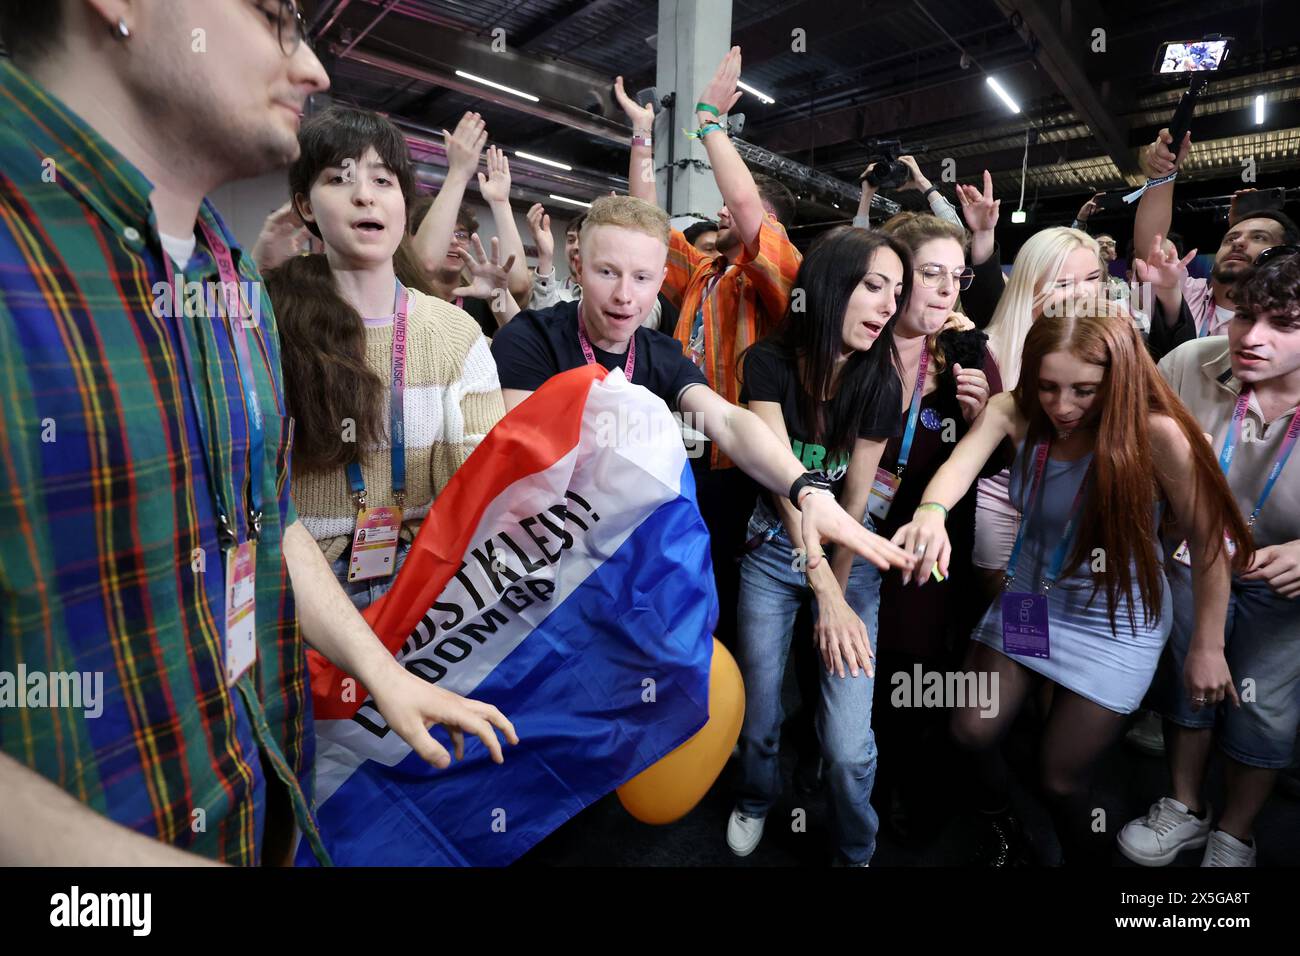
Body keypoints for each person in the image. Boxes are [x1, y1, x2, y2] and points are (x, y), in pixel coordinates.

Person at [0, 0, 514, 866]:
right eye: (276, 15)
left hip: (264, 787)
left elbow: (263, 524)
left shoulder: (224, 280)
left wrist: (382, 672)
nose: (313, 67)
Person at [891, 302, 1251, 865]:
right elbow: (960, 465)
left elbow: (1209, 544)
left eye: (1084, 390)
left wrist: (1207, 646)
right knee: (970, 731)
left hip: (1114, 622)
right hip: (1032, 602)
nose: (1062, 407)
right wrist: (932, 511)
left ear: (1119, 380)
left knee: (1060, 778)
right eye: (1049, 386)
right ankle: (1001, 820)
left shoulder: (1156, 434)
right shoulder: (1014, 410)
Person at [490, 195, 917, 581]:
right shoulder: (531, 340)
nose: (624, 295)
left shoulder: (660, 354)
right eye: (607, 272)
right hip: (538, 552)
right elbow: (527, 460)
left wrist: (806, 488)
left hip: (624, 552)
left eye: (641, 278)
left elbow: (729, 421)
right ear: (579, 267)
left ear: (661, 280)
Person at [264, 106, 505, 612]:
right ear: (305, 206)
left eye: (383, 179)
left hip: (428, 579)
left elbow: (481, 477)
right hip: (306, 586)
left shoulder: (454, 332)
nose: (365, 194)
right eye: (340, 178)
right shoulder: (272, 323)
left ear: (402, 204)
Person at [725, 227, 909, 866]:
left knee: (848, 746)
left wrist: (839, 583)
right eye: (873, 286)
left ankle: (858, 848)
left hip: (849, 559)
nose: (889, 306)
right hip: (775, 547)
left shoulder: (882, 382)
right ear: (831, 288)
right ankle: (753, 796)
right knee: (759, 705)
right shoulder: (767, 364)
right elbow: (780, 479)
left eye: (896, 292)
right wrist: (818, 585)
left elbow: (857, 501)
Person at [1119, 252, 1300, 867]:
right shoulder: (1189, 365)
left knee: (1265, 715)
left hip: (1285, 586)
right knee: (1189, 686)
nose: (1253, 337)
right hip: (1192, 563)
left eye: (1285, 323)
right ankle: (1186, 806)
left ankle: (1236, 832)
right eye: (1244, 316)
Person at [616, 48, 802, 648]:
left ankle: (732, 707)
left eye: (736, 201)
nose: (721, 206)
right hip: (680, 453)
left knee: (727, 589)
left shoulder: (776, 277)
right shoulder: (702, 271)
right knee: (679, 579)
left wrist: (710, 124)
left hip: (739, 464)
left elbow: (747, 212)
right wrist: (643, 138)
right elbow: (645, 221)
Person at [869, 213, 1003, 845]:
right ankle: (848, 765)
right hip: (858, 534)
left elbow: (996, 458)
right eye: (931, 274)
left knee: (917, 670)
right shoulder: (859, 343)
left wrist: (978, 416)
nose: (948, 290)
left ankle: (903, 783)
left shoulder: (967, 355)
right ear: (894, 278)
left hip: (931, 542)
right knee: (848, 666)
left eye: (958, 276)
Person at [971, 228, 1104, 596]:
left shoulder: (1114, 349)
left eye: (1092, 279)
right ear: (1029, 285)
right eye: (1062, 284)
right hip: (1002, 508)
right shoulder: (988, 352)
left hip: (1075, 515)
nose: (1082, 293)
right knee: (1004, 606)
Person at [1132, 126, 1300, 358]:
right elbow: (1151, 246)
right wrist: (1163, 172)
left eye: (1259, 237)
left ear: (1284, 257)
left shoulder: (1290, 324)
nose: (1238, 243)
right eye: (1231, 237)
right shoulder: (1188, 293)